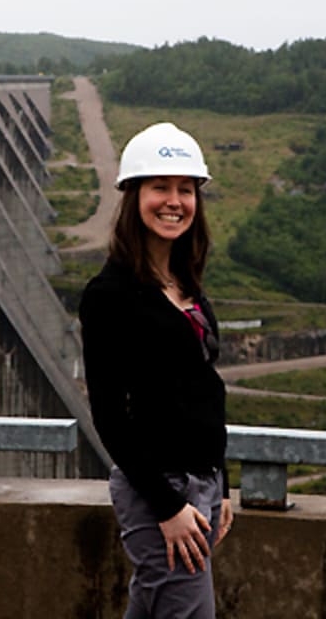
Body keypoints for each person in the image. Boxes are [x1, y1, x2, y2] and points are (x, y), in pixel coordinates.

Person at [79, 121, 233, 619]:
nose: (174, 201)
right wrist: (167, 507)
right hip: (159, 488)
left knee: (154, 606)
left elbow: (203, 392)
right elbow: (109, 416)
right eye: (159, 187)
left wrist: (221, 483)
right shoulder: (111, 296)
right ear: (133, 197)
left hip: (199, 483)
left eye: (185, 190)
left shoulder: (186, 285)